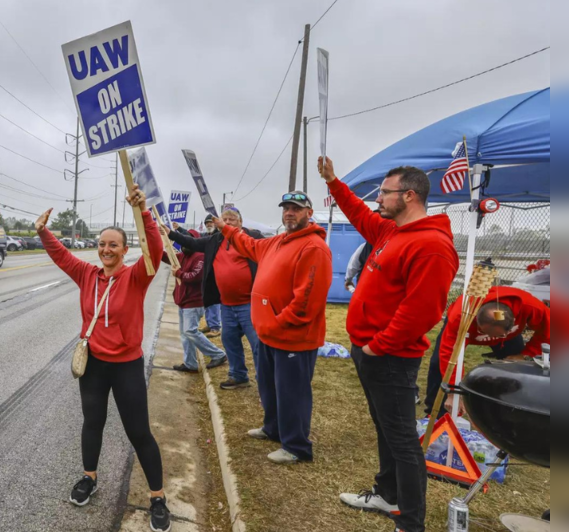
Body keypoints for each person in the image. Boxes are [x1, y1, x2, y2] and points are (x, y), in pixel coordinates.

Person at [321, 157, 459, 532]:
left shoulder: (431, 245)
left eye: (384, 192)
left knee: (402, 439)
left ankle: (411, 522)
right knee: (385, 427)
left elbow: (422, 312)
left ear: (409, 195)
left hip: (390, 358)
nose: (377, 199)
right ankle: (388, 493)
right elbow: (356, 213)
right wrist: (334, 182)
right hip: (369, 351)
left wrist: (377, 346)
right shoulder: (390, 231)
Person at [36, 184, 172, 532]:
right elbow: (63, 256)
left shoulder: (137, 276)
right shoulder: (87, 275)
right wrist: (43, 232)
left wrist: (142, 212)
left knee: (139, 431)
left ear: (125, 250)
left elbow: (155, 251)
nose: (106, 249)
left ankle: (157, 497)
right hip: (94, 365)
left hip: (126, 366)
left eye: (113, 244)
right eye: (102, 245)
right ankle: (89, 478)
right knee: (91, 422)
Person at [208, 191, 332, 464]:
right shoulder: (277, 242)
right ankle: (273, 428)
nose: (289, 213)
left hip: (292, 338)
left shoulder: (313, 247)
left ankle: (296, 446)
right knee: (269, 386)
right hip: (269, 334)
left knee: (292, 392)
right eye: (286, 208)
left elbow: (307, 300)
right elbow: (248, 244)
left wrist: (278, 322)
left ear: (308, 213)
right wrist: (225, 227)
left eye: (296, 209)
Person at [169, 209, 263, 390]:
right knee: (230, 341)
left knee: (257, 344)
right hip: (226, 305)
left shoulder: (253, 237)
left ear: (240, 222)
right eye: (224, 219)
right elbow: (192, 242)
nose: (226, 222)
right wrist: (171, 233)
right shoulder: (215, 240)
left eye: (232, 219)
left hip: (250, 304)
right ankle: (238, 376)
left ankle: (264, 381)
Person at [423, 286, 550, 417]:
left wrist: (525, 354)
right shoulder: (460, 316)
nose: (492, 339)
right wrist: (453, 392)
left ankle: (510, 408)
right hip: (465, 328)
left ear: (513, 322)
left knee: (519, 369)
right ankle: (437, 413)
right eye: (486, 333)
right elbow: (449, 355)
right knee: (438, 364)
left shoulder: (531, 307)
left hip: (508, 337)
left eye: (498, 335)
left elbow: (551, 330)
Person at [159, 227, 229, 373]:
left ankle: (218, 354)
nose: (184, 246)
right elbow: (167, 257)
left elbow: (194, 276)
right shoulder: (184, 256)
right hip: (183, 300)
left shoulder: (200, 256)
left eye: (188, 241)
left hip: (194, 301)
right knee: (185, 334)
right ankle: (190, 363)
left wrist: (179, 273)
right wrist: (155, 244)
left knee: (190, 331)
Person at [199, 214, 223, 337]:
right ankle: (210, 323)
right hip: (207, 272)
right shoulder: (205, 236)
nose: (209, 224)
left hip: (215, 272)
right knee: (207, 299)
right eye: (207, 222)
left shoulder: (217, 237)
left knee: (214, 300)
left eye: (211, 222)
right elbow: (192, 239)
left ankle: (215, 327)